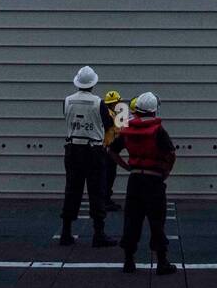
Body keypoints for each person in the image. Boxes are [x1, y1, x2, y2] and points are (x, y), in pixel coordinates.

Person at [108, 91, 177, 275]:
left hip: (135, 179)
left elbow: (112, 151)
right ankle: (162, 262)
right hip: (154, 180)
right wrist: (165, 173)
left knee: (131, 220)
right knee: (157, 221)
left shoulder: (127, 130)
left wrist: (127, 167)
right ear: (154, 111)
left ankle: (128, 260)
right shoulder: (158, 131)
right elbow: (171, 154)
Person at [60, 65, 116, 247]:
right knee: (97, 191)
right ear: (93, 83)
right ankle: (98, 233)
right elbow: (109, 124)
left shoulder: (67, 100)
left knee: (72, 190)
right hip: (93, 150)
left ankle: (66, 232)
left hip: (72, 149)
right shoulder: (98, 103)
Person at [102, 90, 126, 212]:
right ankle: (105, 201)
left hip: (109, 149)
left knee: (109, 175)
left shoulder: (112, 114)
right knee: (108, 175)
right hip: (107, 150)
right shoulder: (109, 115)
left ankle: (106, 199)